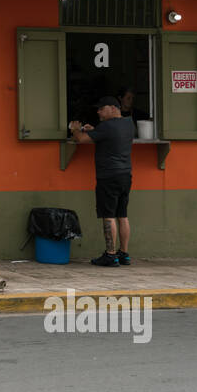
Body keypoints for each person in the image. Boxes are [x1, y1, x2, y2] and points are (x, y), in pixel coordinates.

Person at [68, 95, 133, 267]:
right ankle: (124, 254)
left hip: (108, 176)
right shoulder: (127, 123)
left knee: (108, 216)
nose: (98, 111)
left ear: (113, 108)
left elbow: (81, 139)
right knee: (122, 215)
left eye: (101, 108)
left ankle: (110, 255)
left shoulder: (107, 126)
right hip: (125, 175)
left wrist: (75, 129)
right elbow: (109, 136)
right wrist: (94, 130)